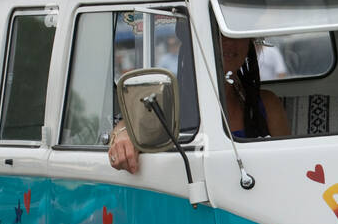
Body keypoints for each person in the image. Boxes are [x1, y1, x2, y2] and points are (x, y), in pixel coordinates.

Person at [109, 35, 288, 175]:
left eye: (234, 33)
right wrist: (123, 134)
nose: (229, 43)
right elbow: (139, 122)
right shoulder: (172, 102)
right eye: (217, 34)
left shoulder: (267, 104)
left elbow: (286, 163)